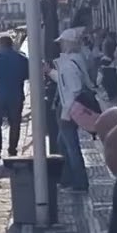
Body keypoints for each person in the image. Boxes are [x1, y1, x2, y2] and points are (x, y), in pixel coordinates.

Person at [49, 28, 97, 192]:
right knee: (64, 145)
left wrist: (66, 113)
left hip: (69, 111)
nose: (61, 45)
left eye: (62, 42)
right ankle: (68, 179)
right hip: (69, 109)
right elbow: (65, 81)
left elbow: (74, 89)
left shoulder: (70, 64)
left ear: (68, 43)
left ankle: (79, 181)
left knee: (70, 147)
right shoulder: (77, 59)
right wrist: (50, 72)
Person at [0, 35, 29, 160]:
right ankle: (12, 149)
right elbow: (27, 75)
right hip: (16, 95)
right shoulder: (22, 59)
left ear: (0, 45)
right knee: (15, 123)